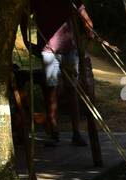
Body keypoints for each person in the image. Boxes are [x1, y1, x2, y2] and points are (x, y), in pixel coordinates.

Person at [31, 0, 93, 147]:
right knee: (52, 91)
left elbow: (83, 14)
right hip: (49, 49)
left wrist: (89, 30)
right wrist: (27, 41)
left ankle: (76, 133)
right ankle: (53, 133)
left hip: (69, 48)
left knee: (72, 89)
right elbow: (23, 15)